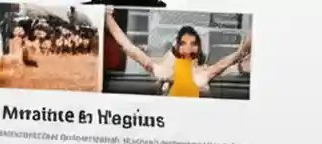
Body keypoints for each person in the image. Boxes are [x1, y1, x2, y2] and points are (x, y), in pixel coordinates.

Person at [104, 11, 251, 98]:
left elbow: (230, 60)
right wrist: (107, 16)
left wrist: (242, 52)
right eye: (184, 44)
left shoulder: (201, 75)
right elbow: (129, 47)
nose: (188, 49)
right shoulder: (163, 71)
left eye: (193, 44)